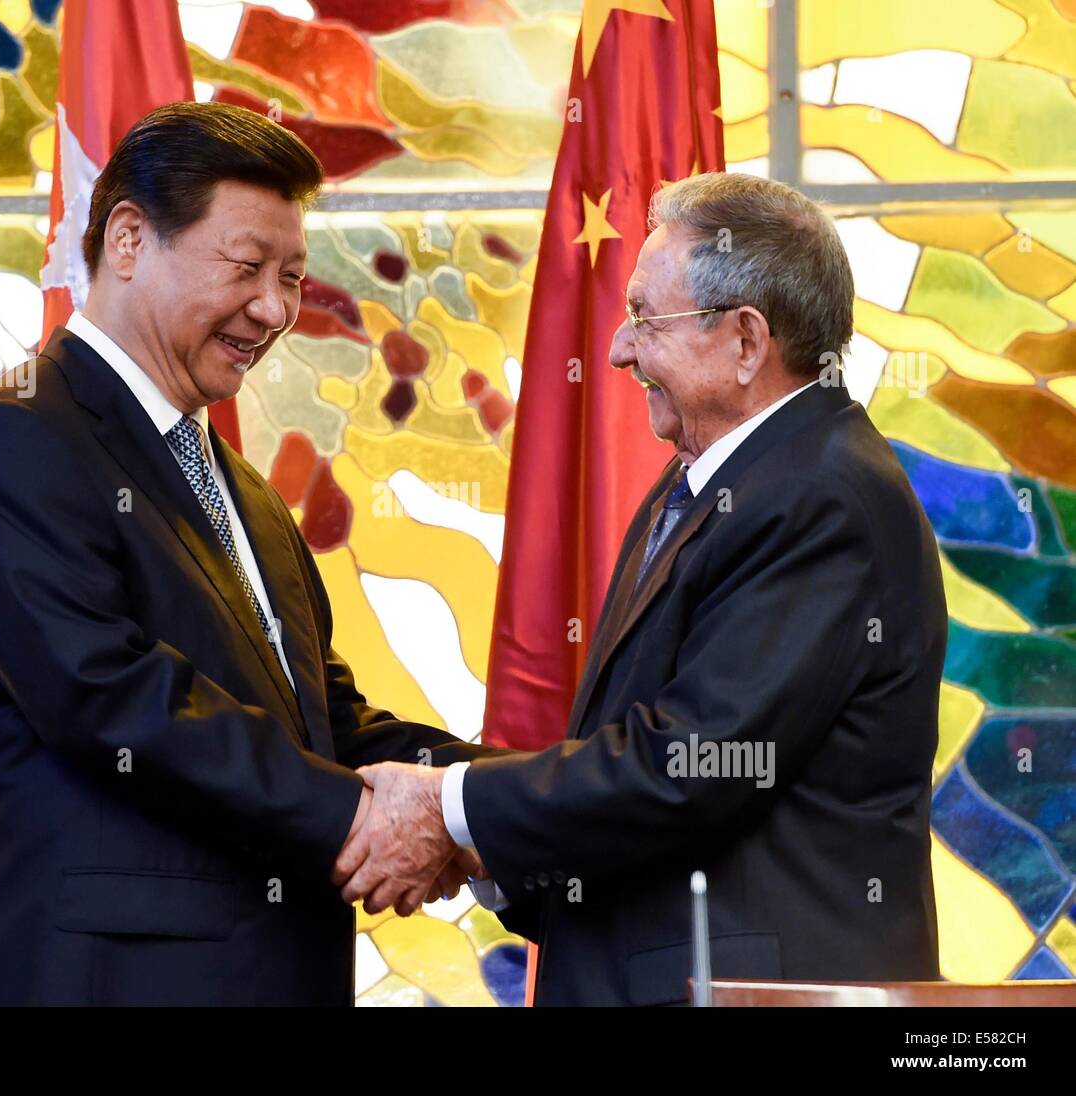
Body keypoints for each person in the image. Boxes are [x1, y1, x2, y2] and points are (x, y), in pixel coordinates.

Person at [0, 101, 494, 1006]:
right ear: (126, 239)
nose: (273, 309)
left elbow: (324, 722)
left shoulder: (246, 491)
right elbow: (108, 698)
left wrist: (495, 799)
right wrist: (361, 817)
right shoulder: (14, 438)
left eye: (294, 278)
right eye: (246, 268)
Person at [335, 172, 946, 1006]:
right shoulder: (701, 482)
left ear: (744, 341)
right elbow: (636, 752)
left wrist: (451, 808)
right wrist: (482, 838)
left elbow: (688, 764)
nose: (620, 351)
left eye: (645, 320)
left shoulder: (823, 495)